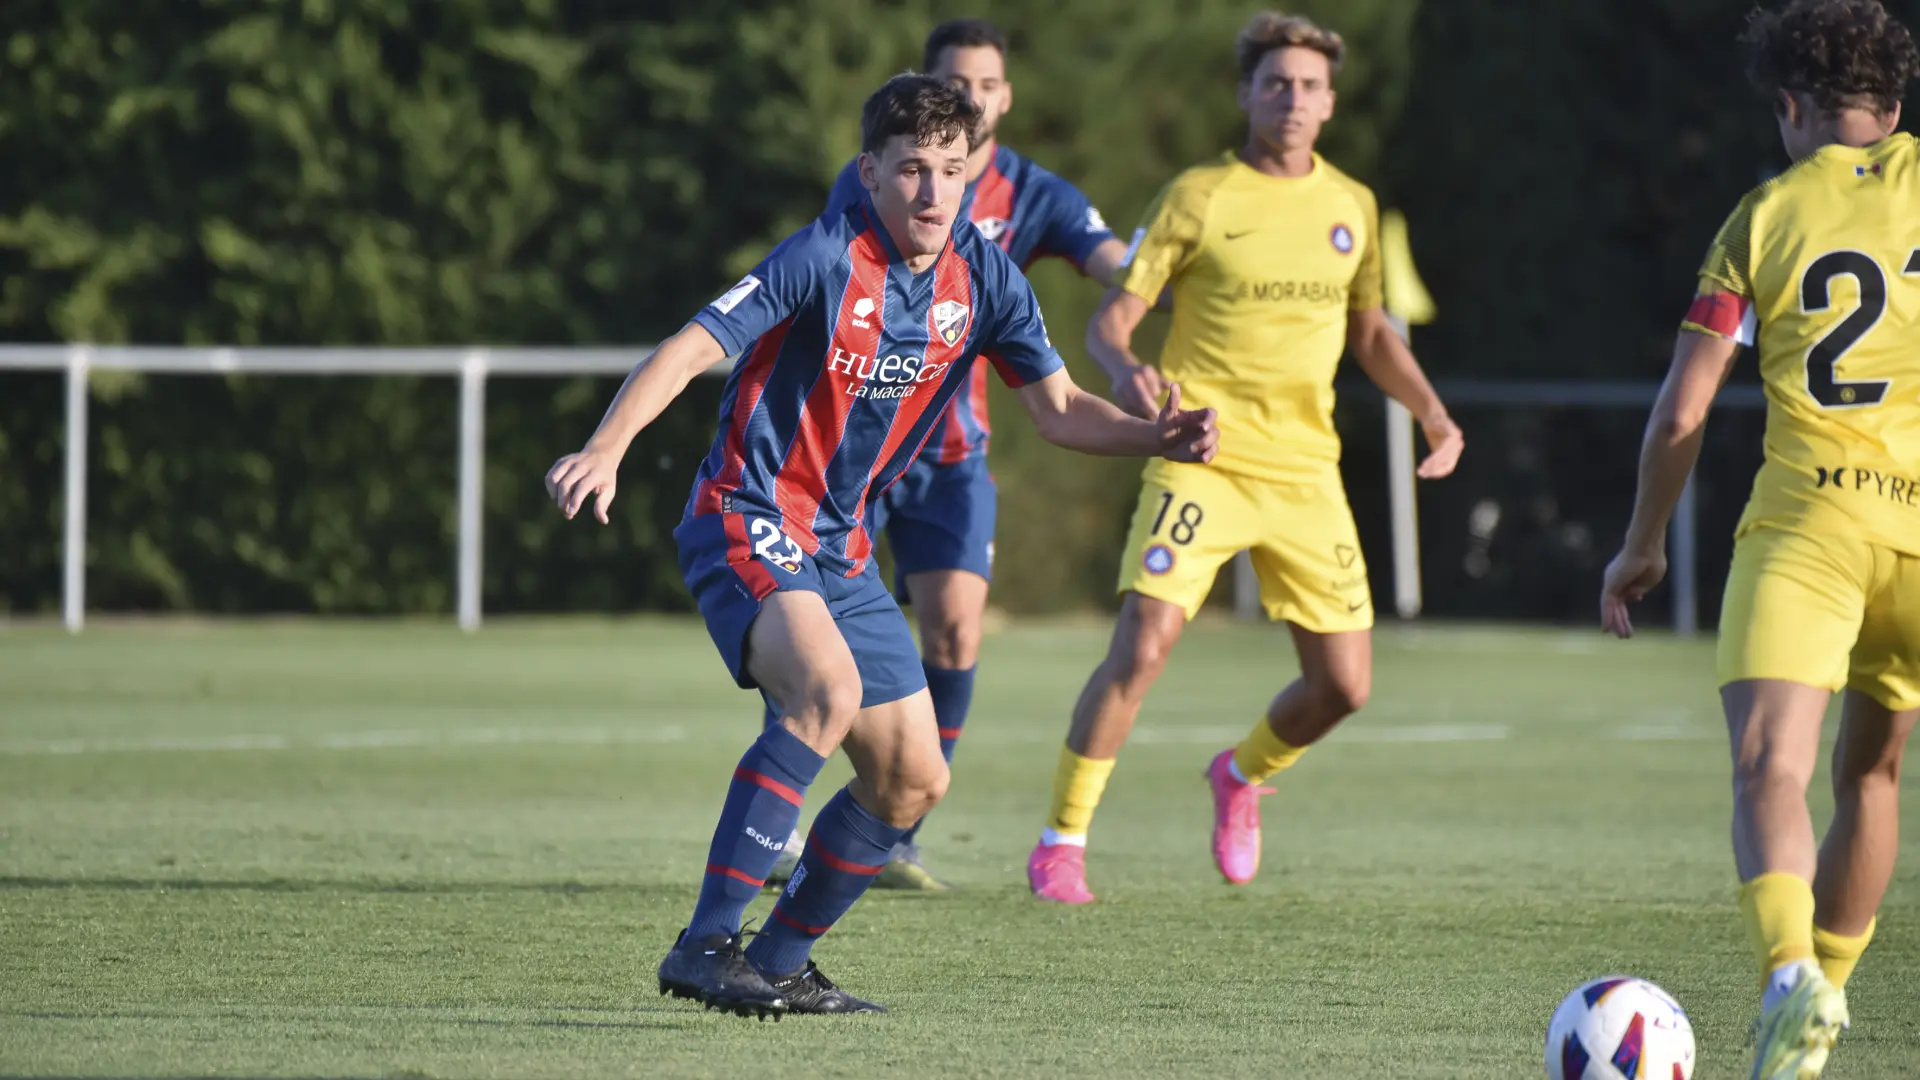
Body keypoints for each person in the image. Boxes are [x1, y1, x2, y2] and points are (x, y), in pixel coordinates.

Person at [546, 74, 1217, 1017]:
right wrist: (605, 447)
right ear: (870, 172)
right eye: (912, 171)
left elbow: (1061, 412)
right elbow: (696, 343)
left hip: (842, 549)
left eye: (952, 170)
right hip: (747, 512)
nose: (936, 193)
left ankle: (776, 963)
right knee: (826, 691)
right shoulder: (825, 253)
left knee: (914, 777)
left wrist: (1159, 435)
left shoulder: (985, 278)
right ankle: (706, 945)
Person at [1025, 11, 1464, 905]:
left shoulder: (1352, 206)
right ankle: (1060, 842)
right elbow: (1111, 321)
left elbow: (1371, 333)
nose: (1292, 98)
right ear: (1246, 95)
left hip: (1306, 471)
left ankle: (1242, 774)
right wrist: (1129, 370)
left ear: (1330, 102)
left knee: (1344, 686)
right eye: (1276, 84)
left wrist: (1434, 415)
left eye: (1308, 86)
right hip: (1203, 456)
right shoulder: (1200, 195)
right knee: (1143, 646)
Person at [1600, 2, 1919, 1076]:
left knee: (1768, 768)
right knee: (1872, 776)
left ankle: (1794, 977)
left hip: (1811, 532)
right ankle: (1811, 1031)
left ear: (1790, 105)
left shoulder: (1761, 219)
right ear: (1896, 98)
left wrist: (1642, 543)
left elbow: (1682, 413)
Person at [764, 18, 1137, 892]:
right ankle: (787, 823)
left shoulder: (1033, 192)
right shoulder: (882, 179)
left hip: (955, 453)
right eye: (954, 82)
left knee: (958, 629)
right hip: (852, 449)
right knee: (817, 649)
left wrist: (1175, 276)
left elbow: (1114, 261)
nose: (971, 97)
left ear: (1005, 98)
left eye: (987, 85)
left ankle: (900, 828)